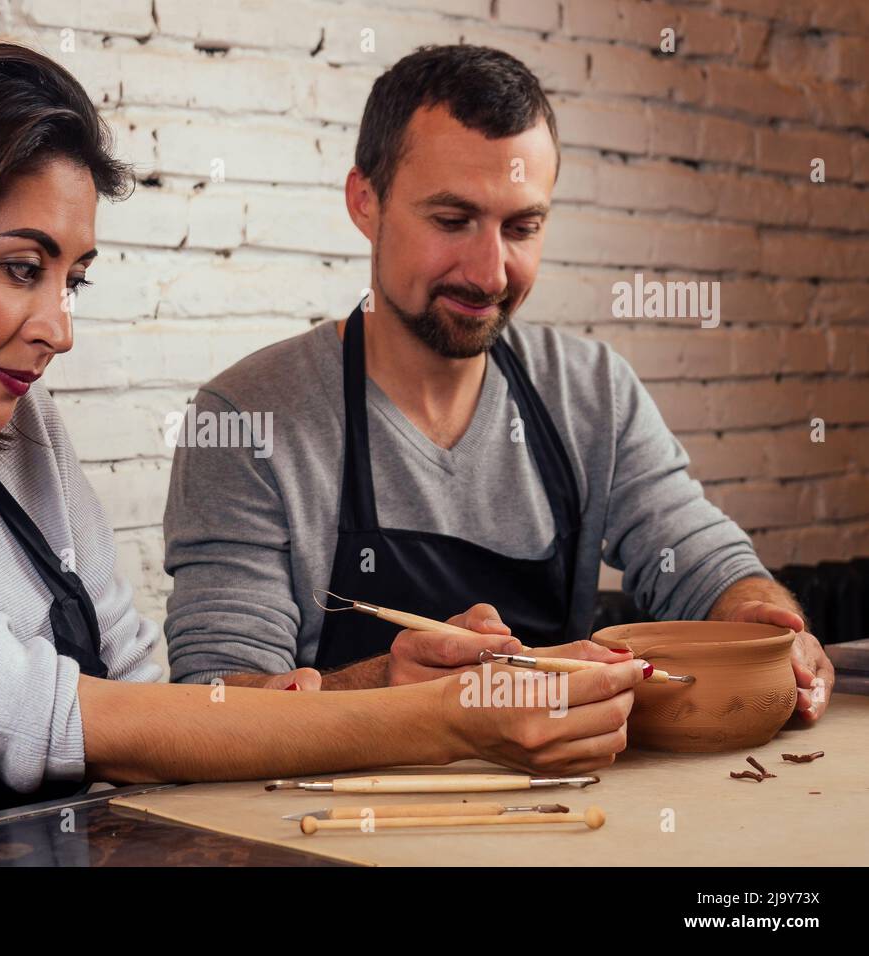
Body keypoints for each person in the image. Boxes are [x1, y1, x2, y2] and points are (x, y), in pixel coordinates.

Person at [0, 43, 650, 866]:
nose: (58, 327)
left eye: (74, 278)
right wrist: (437, 721)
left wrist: (371, 678)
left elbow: (159, 707)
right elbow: (82, 724)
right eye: (22, 266)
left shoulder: (7, 440)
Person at [163, 44, 834, 720]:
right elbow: (213, 703)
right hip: (317, 819)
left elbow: (699, 561)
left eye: (522, 227)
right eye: (452, 221)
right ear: (365, 202)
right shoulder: (246, 417)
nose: (490, 274)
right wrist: (397, 691)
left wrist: (763, 617)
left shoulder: (592, 392)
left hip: (562, 806)